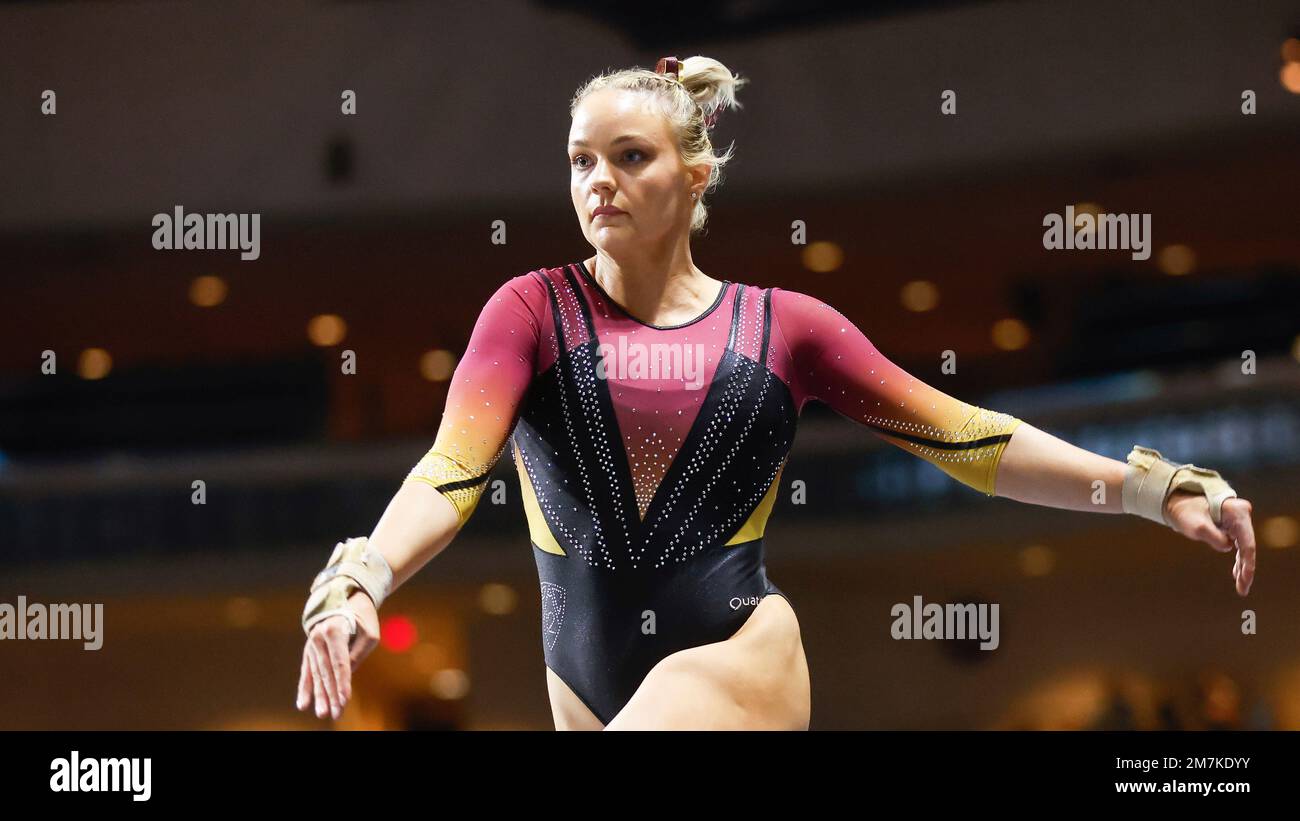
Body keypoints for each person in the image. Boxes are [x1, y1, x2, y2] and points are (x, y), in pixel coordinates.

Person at [295, 55, 1257, 730]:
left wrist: (1149, 486)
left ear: (696, 170)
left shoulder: (783, 327)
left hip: (736, 654)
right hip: (581, 687)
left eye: (631, 157)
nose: (599, 181)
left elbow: (971, 440)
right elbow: (452, 471)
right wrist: (362, 576)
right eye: (582, 160)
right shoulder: (530, 312)